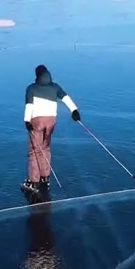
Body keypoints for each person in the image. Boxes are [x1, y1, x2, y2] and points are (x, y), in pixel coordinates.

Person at [23, 64, 80, 196]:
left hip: (37, 120)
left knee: (34, 150)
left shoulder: (31, 88)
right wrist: (74, 111)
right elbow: (66, 98)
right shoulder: (55, 87)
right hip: (51, 120)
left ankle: (34, 181)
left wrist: (26, 120)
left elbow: (29, 106)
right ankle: (45, 177)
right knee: (45, 147)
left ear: (37, 75)